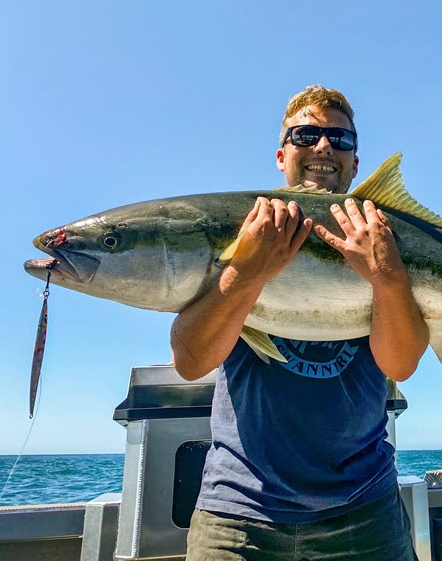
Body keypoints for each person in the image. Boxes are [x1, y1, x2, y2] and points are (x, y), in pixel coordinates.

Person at [172, 85, 429, 561]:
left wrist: (388, 280)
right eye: (305, 134)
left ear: (355, 163)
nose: (324, 147)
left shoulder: (384, 240)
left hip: (365, 514)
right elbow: (191, 361)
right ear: (281, 154)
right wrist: (245, 272)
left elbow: (400, 362)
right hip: (237, 515)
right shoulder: (242, 232)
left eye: (340, 139)